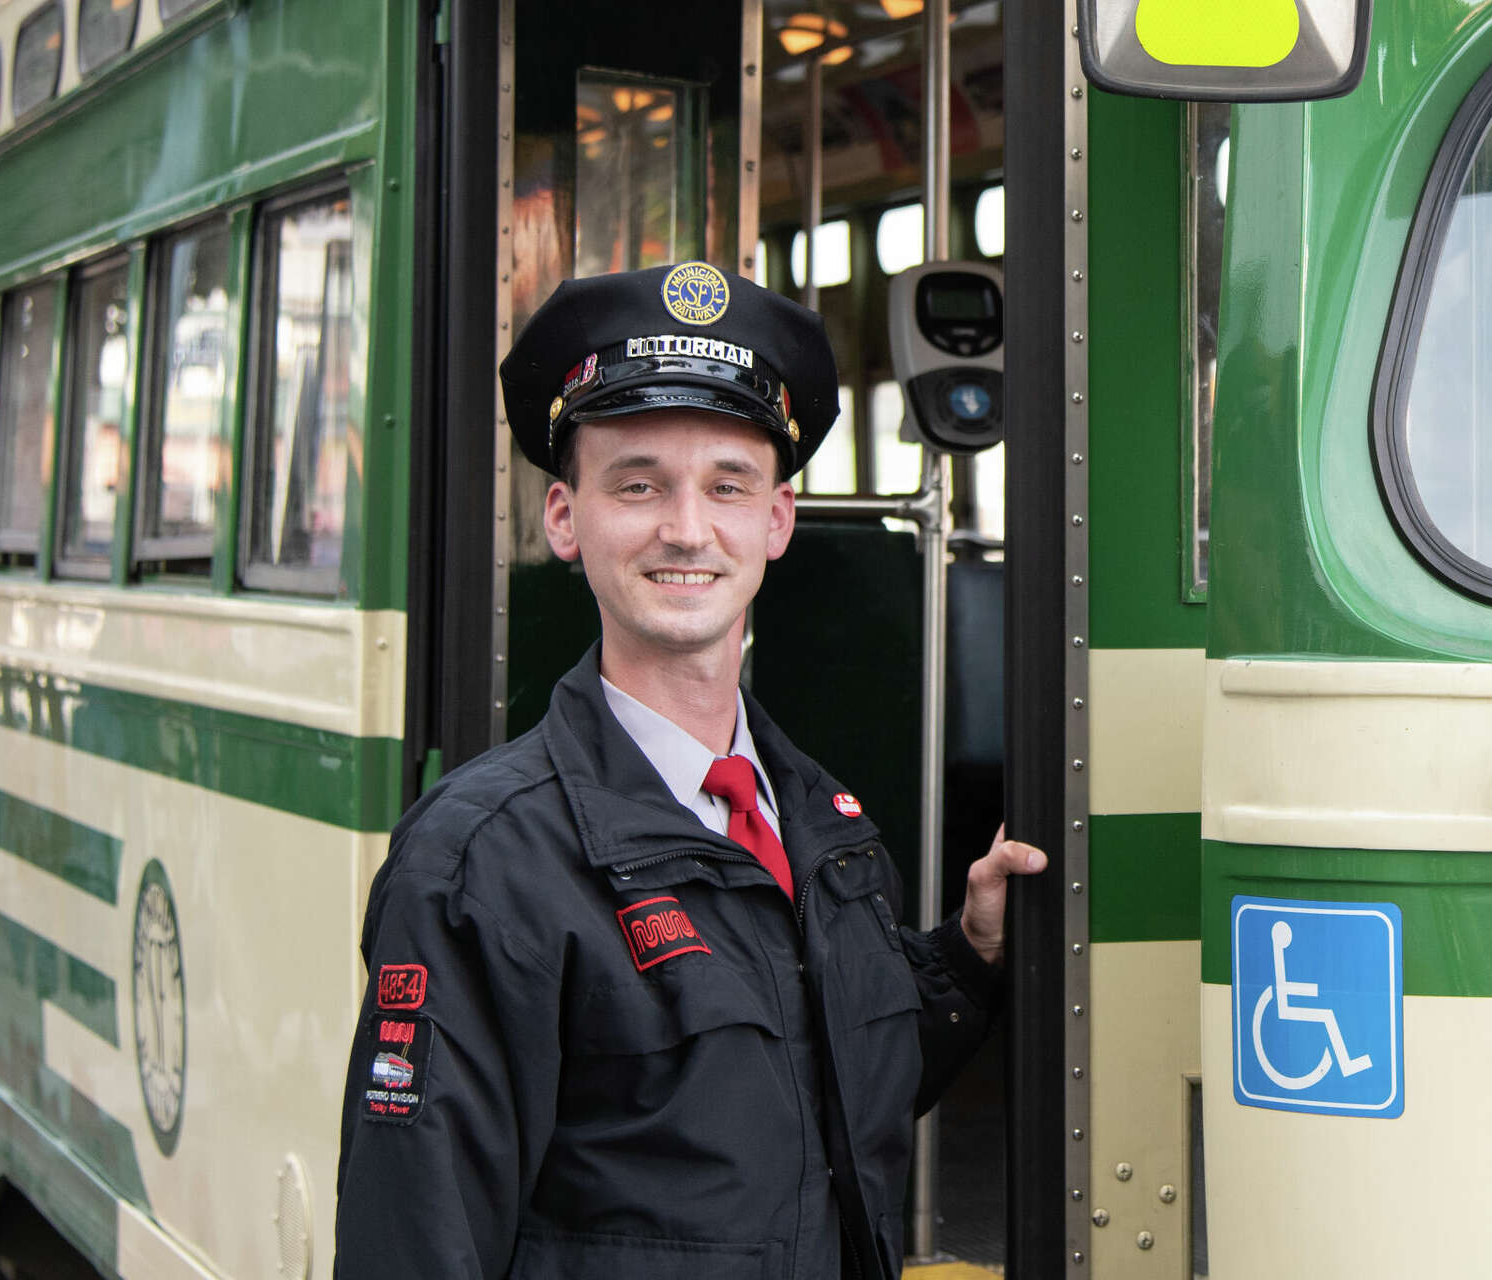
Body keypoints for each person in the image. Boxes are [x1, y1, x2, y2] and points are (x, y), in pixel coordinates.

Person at [334, 261, 1046, 1280]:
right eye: (638, 483)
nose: (686, 527)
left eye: (727, 485)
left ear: (777, 521)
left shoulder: (820, 821)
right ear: (565, 520)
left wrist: (970, 954)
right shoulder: (480, 862)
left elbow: (814, 1086)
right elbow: (416, 1235)